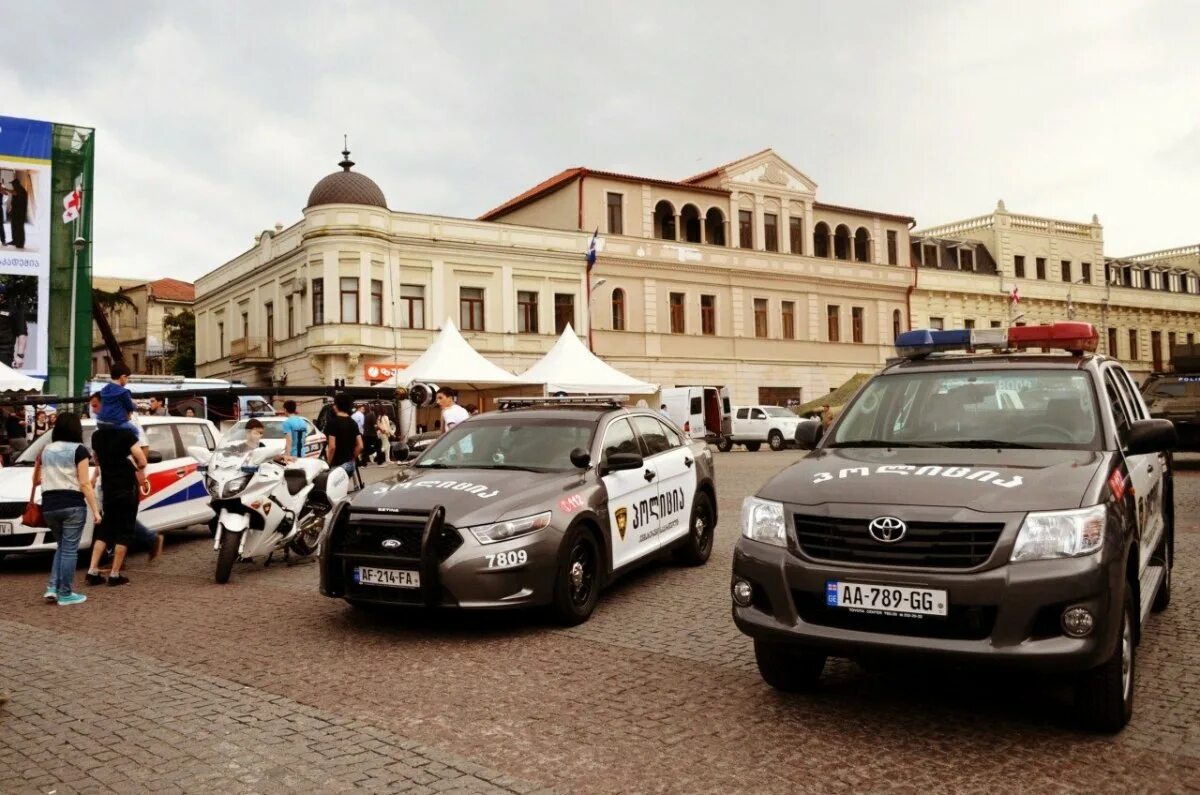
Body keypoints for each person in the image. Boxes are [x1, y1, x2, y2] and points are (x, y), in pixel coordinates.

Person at [34, 413, 102, 606]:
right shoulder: (79, 450)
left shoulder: (45, 449)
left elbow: (37, 480)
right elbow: (84, 484)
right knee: (70, 550)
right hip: (72, 503)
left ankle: (52, 587)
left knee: (62, 547)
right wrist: (96, 510)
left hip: (49, 504)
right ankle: (65, 593)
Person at [86, 419, 150, 586]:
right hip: (126, 489)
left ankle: (92, 571)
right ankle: (115, 574)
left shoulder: (96, 436)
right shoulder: (127, 435)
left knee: (106, 528)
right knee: (124, 530)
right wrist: (132, 466)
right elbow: (142, 461)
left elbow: (96, 459)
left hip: (108, 489)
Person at [324, 394, 362, 477]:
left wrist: (328, 463)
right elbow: (360, 445)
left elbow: (332, 447)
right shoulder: (353, 423)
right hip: (350, 465)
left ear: (337, 406)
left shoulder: (332, 423)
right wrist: (352, 457)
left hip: (337, 465)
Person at [96, 363, 139, 434]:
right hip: (115, 422)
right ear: (123, 377)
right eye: (127, 377)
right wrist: (134, 404)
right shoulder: (123, 392)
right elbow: (130, 407)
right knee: (135, 431)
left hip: (100, 422)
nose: (127, 380)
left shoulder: (104, 389)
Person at [0, 283, 29, 370]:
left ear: (1, 296)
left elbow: (22, 334)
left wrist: (20, 356)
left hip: (4, 353)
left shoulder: (14, 311)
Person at [7, 173, 28, 250]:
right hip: (16, 213)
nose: (12, 185)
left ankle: (20, 243)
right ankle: (15, 240)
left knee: (19, 228)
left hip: (19, 214)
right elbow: (14, 193)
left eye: (13, 184)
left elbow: (14, 193)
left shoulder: (20, 190)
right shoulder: (19, 189)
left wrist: (5, 189)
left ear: (16, 184)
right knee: (14, 227)